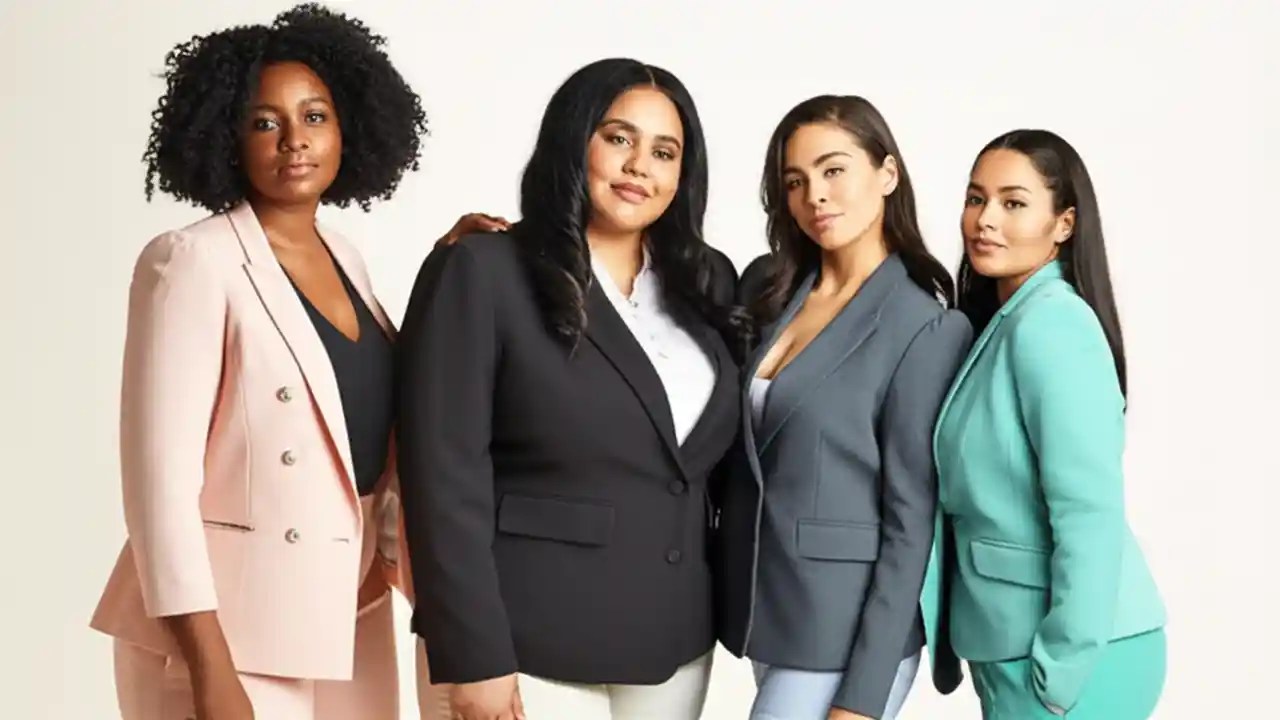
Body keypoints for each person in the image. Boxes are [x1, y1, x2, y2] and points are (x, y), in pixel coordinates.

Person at [88, 4, 445, 718]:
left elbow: (372, 424)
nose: (294, 141)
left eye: (315, 116)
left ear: (350, 127)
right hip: (227, 632)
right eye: (264, 122)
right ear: (226, 135)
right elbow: (159, 489)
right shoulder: (191, 260)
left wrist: (456, 260)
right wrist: (210, 666)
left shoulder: (345, 256)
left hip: (347, 614)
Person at [395, 57, 746, 720]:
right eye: (619, 138)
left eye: (664, 151)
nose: (640, 165)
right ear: (572, 140)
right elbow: (442, 476)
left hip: (672, 648)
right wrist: (472, 654)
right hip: (524, 648)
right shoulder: (482, 270)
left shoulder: (710, 283)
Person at [714, 95, 973, 720]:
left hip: (849, 633)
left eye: (834, 171)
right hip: (766, 613)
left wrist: (862, 697)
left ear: (887, 174)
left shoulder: (925, 326)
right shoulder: (770, 291)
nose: (815, 197)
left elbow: (912, 523)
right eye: (796, 182)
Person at [920, 129, 1167, 719]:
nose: (984, 219)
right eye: (976, 198)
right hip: (1011, 646)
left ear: (1064, 224)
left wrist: (1060, 669)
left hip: (1072, 657)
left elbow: (1089, 511)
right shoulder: (1006, 321)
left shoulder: (1051, 325)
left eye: (1014, 202)